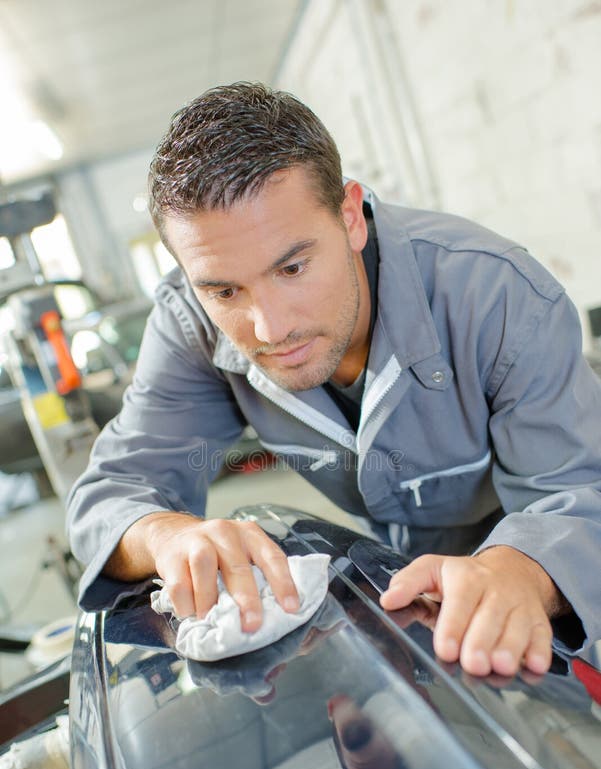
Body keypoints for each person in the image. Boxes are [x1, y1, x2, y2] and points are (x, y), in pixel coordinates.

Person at [66, 82, 601, 679]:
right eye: (224, 289)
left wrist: (520, 570)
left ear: (349, 217)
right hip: (404, 615)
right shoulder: (188, 323)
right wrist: (164, 536)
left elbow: (580, 492)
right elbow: (112, 490)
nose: (270, 327)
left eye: (292, 267)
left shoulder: (497, 294)